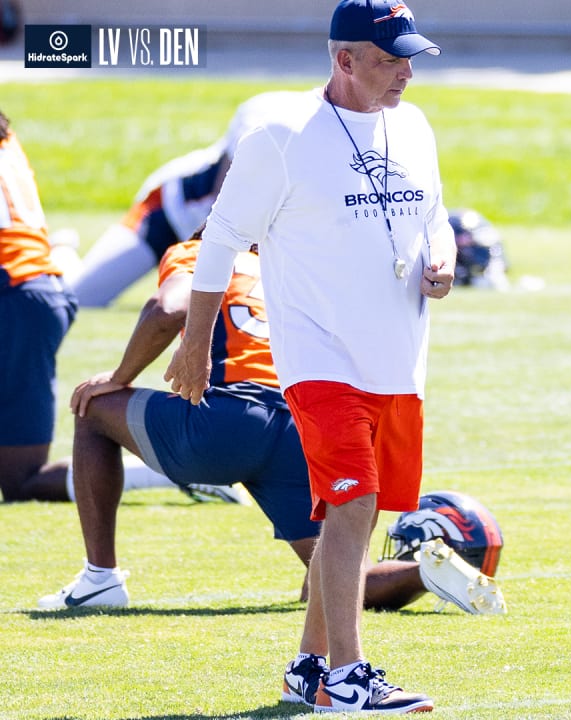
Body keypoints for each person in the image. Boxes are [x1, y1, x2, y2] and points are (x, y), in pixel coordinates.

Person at [166, 0, 457, 713]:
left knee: (345, 513)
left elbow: (434, 214)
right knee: (354, 501)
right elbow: (221, 240)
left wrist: (442, 259)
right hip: (318, 356)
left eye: (409, 58)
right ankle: (348, 677)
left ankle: (308, 666)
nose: (404, 74)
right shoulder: (280, 135)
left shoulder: (413, 126)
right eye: (389, 60)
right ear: (343, 59)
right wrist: (195, 346)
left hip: (397, 357)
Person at [37, 233, 495, 626]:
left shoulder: (199, 251)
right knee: (327, 578)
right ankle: (424, 573)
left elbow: (166, 308)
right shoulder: (286, 263)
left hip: (227, 420)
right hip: (301, 426)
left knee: (91, 406)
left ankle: (100, 578)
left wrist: (119, 377)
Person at [68, 91, 294, 308]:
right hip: (168, 212)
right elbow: (229, 190)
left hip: (221, 232)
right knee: (79, 297)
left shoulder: (323, 127)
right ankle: (63, 252)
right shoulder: (266, 111)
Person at [0, 109, 80, 502]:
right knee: (19, 479)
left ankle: (176, 471)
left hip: (17, 298)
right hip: (37, 292)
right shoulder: (8, 138)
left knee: (22, 479)